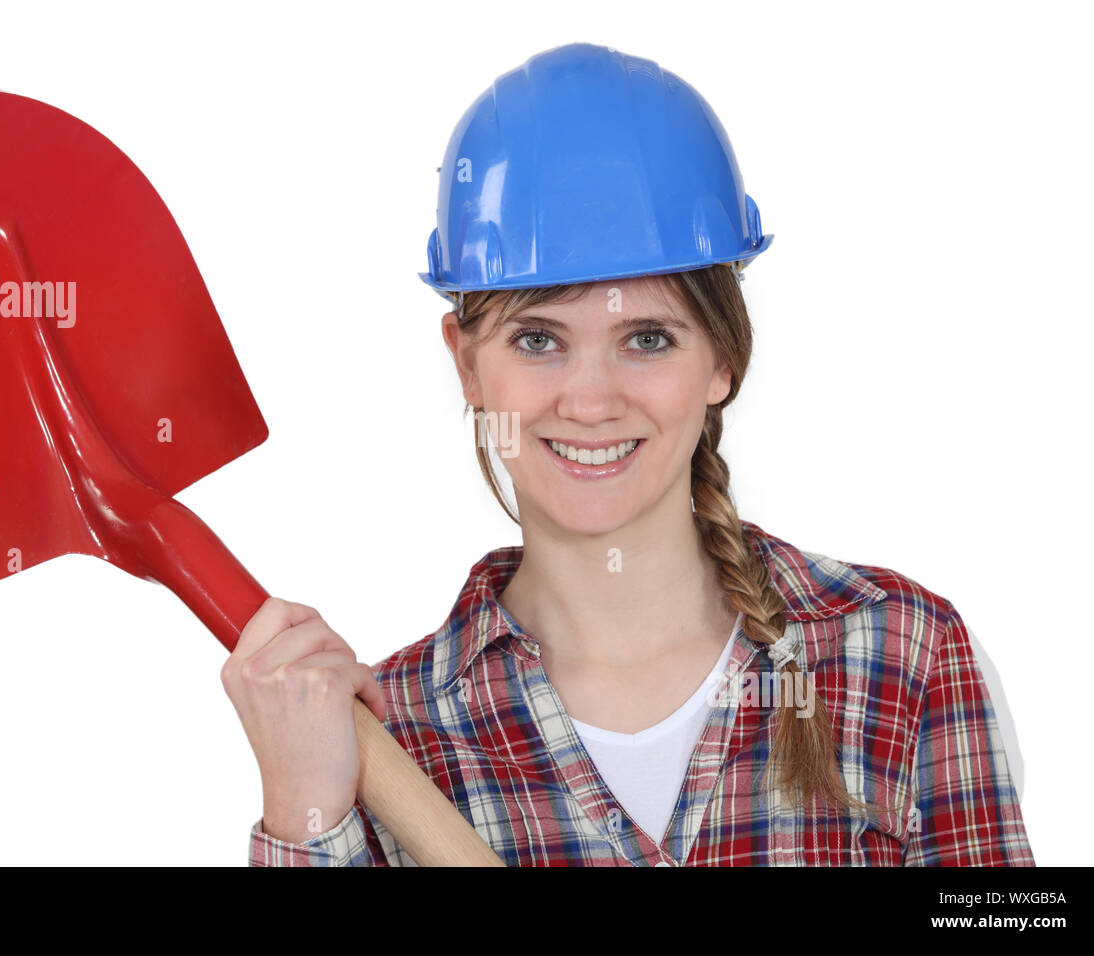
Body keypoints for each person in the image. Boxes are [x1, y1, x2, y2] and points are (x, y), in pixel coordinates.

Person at [220, 42, 1034, 866]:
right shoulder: (385, 737)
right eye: (538, 339)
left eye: (647, 338)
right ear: (466, 363)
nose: (592, 400)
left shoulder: (897, 655)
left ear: (723, 358)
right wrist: (306, 816)